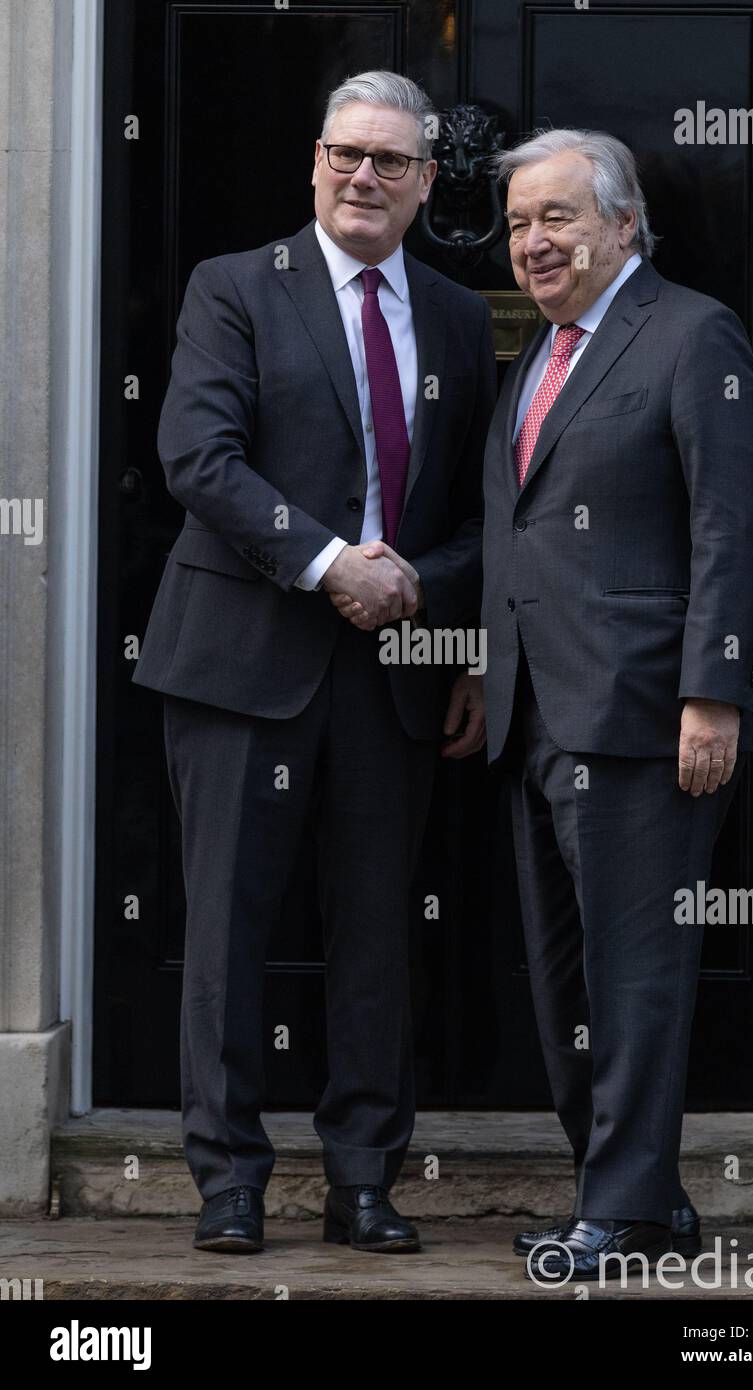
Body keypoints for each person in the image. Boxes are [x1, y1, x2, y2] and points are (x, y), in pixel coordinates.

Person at [133, 70, 495, 1254]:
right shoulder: (235, 287)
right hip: (242, 658)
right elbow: (198, 454)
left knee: (375, 935)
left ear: (425, 183)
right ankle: (228, 1179)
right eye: (346, 153)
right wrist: (332, 560)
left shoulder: (450, 313)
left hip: (391, 672)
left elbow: (481, 508)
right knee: (228, 931)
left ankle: (362, 1180)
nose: (364, 176)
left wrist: (437, 613)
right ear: (313, 162)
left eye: (392, 162)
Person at [479, 128, 753, 1280]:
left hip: (649, 718)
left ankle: (624, 1213)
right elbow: (522, 533)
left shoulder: (690, 333)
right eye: (515, 224)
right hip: (532, 717)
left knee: (636, 979)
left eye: (554, 217)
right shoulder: (534, 359)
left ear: (619, 222)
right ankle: (637, 1191)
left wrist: (713, 690)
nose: (532, 242)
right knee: (565, 986)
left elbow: (731, 521)